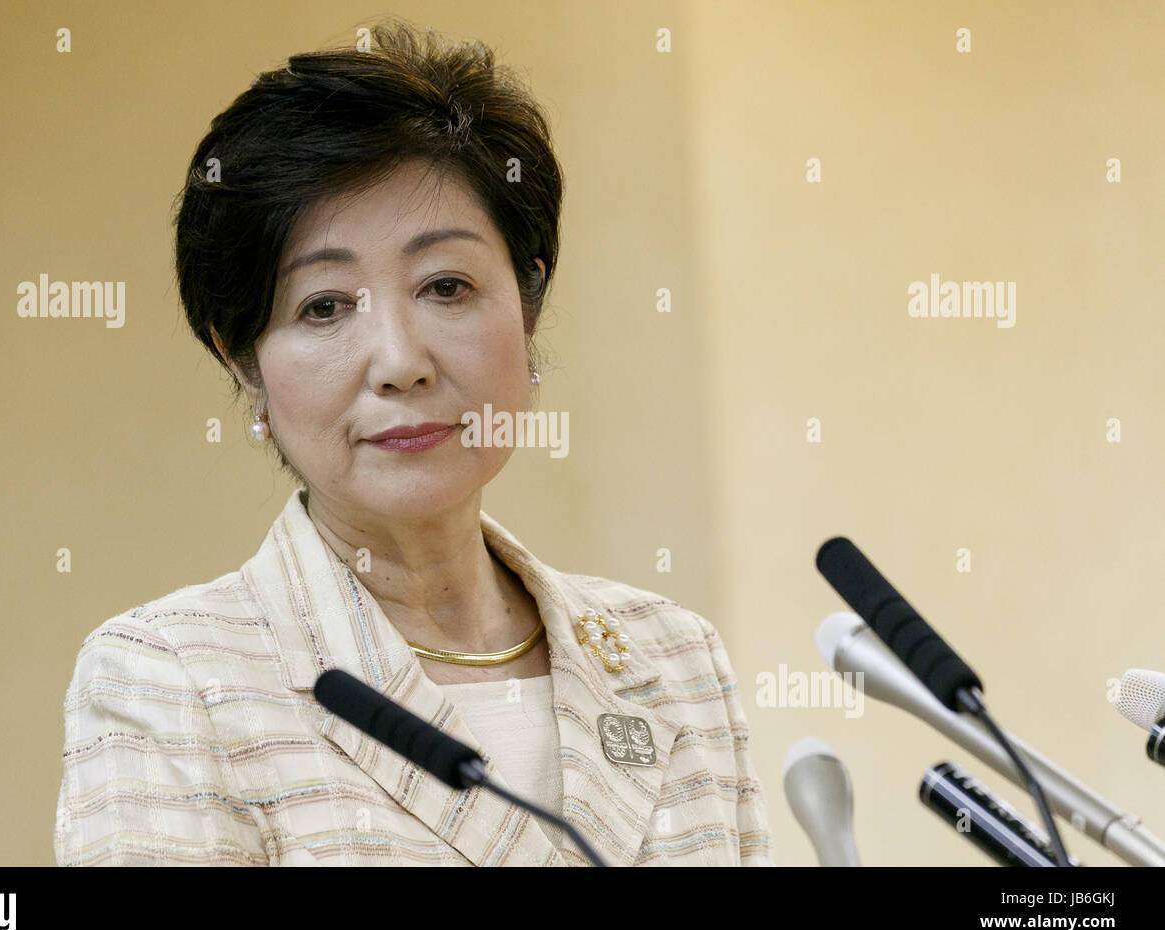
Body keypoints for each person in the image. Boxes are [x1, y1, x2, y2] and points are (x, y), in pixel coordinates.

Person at [54, 18, 773, 866]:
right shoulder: (172, 678)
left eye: (446, 285)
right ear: (243, 361)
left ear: (528, 303)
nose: (399, 361)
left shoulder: (672, 659)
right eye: (323, 306)